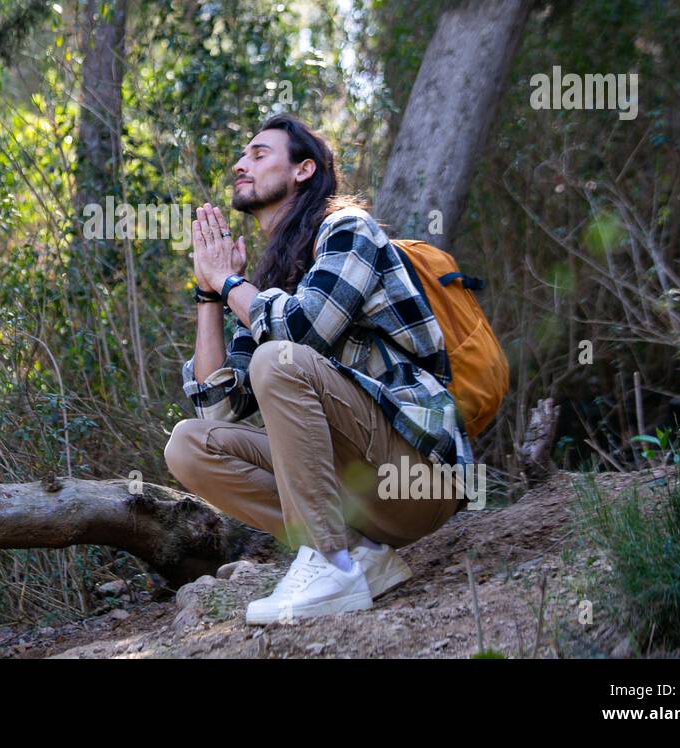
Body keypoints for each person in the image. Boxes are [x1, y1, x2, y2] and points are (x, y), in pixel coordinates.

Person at [165, 113, 470, 625]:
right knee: (189, 445)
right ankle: (356, 555)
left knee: (277, 356)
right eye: (243, 156)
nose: (241, 165)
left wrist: (230, 283)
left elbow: (303, 332)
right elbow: (220, 407)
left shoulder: (349, 229)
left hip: (416, 482)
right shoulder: (268, 280)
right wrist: (210, 291)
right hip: (358, 492)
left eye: (259, 154)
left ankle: (328, 561)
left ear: (304, 170)